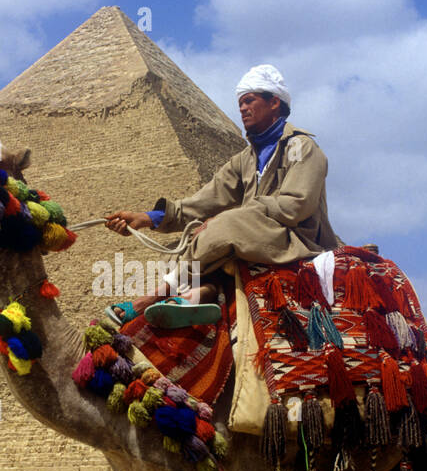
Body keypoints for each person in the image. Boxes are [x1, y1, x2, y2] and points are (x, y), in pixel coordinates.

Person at [104, 65, 339, 326]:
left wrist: (234, 216)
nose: (242, 108)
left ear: (274, 102)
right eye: (240, 102)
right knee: (175, 249)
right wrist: (147, 218)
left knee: (223, 228)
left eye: (249, 100)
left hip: (296, 239)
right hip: (255, 234)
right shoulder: (244, 160)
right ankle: (201, 295)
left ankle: (151, 299)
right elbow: (204, 202)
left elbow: (297, 205)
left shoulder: (303, 147)